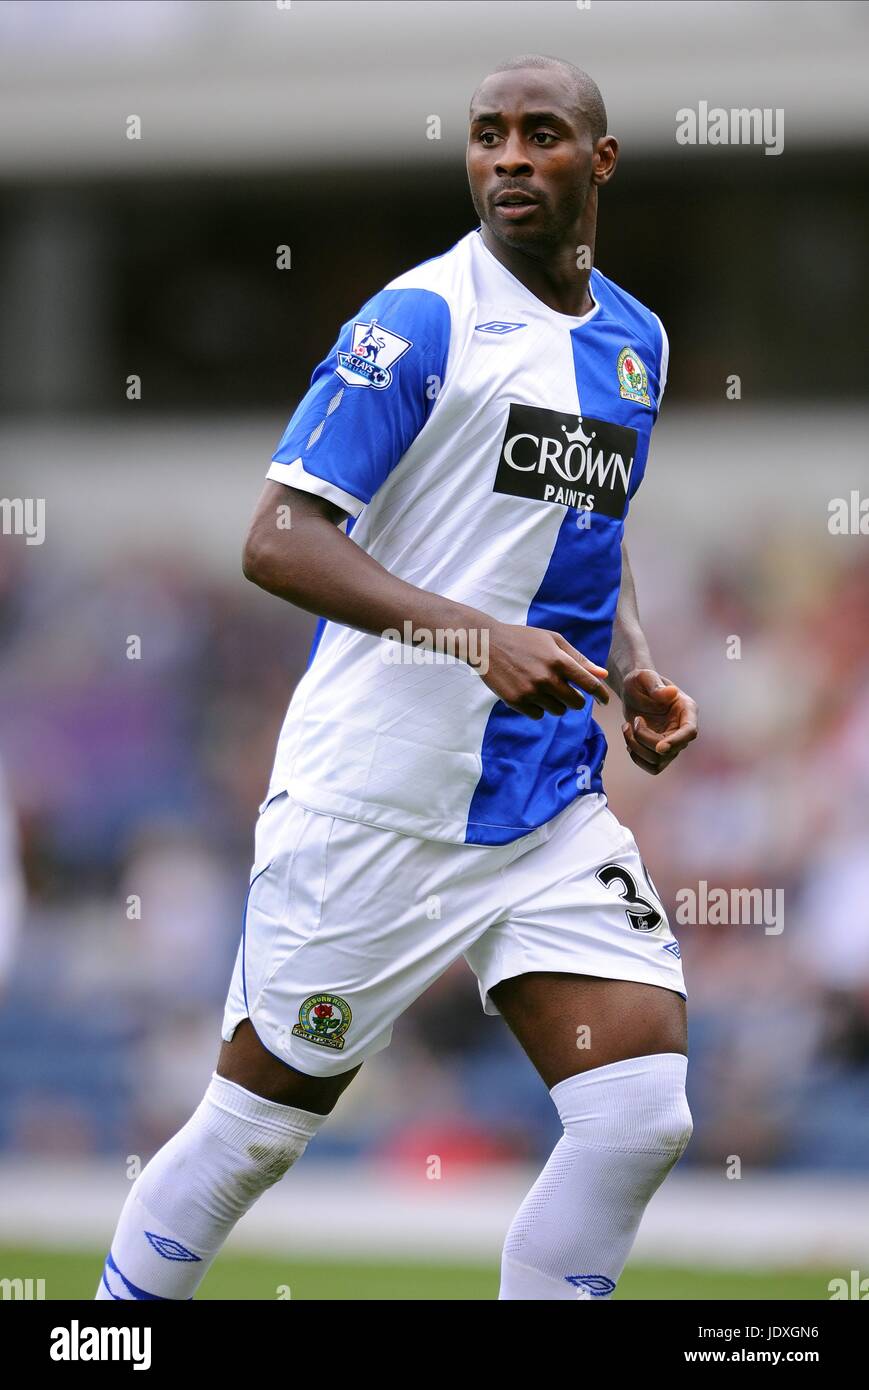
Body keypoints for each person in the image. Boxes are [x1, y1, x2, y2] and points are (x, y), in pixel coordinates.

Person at [97, 53, 698, 1302]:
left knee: (638, 1113)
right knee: (252, 1135)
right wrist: (478, 638)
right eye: (487, 134)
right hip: (374, 803)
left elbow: (588, 519)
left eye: (541, 133)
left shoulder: (634, 339)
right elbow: (277, 538)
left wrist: (632, 663)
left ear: (598, 160)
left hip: (541, 803)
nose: (509, 156)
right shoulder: (418, 318)